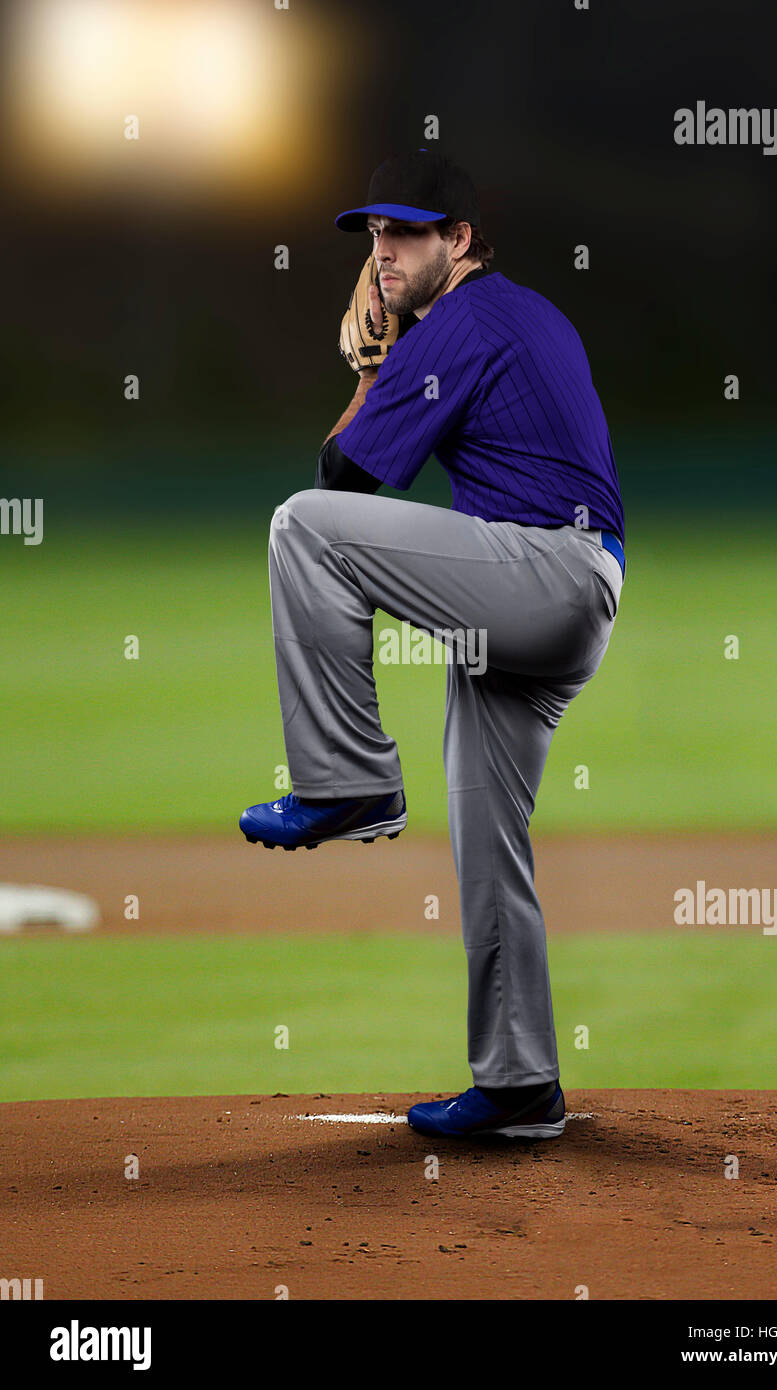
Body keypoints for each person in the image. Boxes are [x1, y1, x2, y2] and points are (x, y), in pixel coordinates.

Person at [240, 149, 626, 1140]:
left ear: (459, 240)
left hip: (543, 572)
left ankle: (347, 778)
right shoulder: (503, 315)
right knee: (487, 836)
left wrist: (370, 366)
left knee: (299, 525)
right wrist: (385, 363)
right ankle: (519, 1085)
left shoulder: (467, 315)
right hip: (556, 588)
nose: (382, 254)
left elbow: (343, 482)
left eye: (404, 232)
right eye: (372, 235)